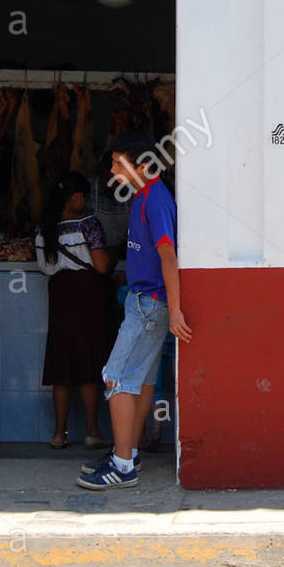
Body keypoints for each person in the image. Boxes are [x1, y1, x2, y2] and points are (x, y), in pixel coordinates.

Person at [77, 131, 193, 490]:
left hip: (149, 305)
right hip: (144, 301)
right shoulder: (144, 196)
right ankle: (127, 452)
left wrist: (175, 312)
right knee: (140, 380)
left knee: (115, 377)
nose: (112, 169)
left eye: (118, 163)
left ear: (143, 166)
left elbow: (169, 256)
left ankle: (122, 465)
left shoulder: (155, 200)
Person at [35, 172, 114, 450]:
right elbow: (102, 266)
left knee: (61, 365)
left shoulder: (44, 228)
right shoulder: (88, 224)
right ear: (77, 197)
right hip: (87, 297)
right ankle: (92, 431)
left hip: (59, 297)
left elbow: (45, 268)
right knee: (88, 364)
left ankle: (59, 434)